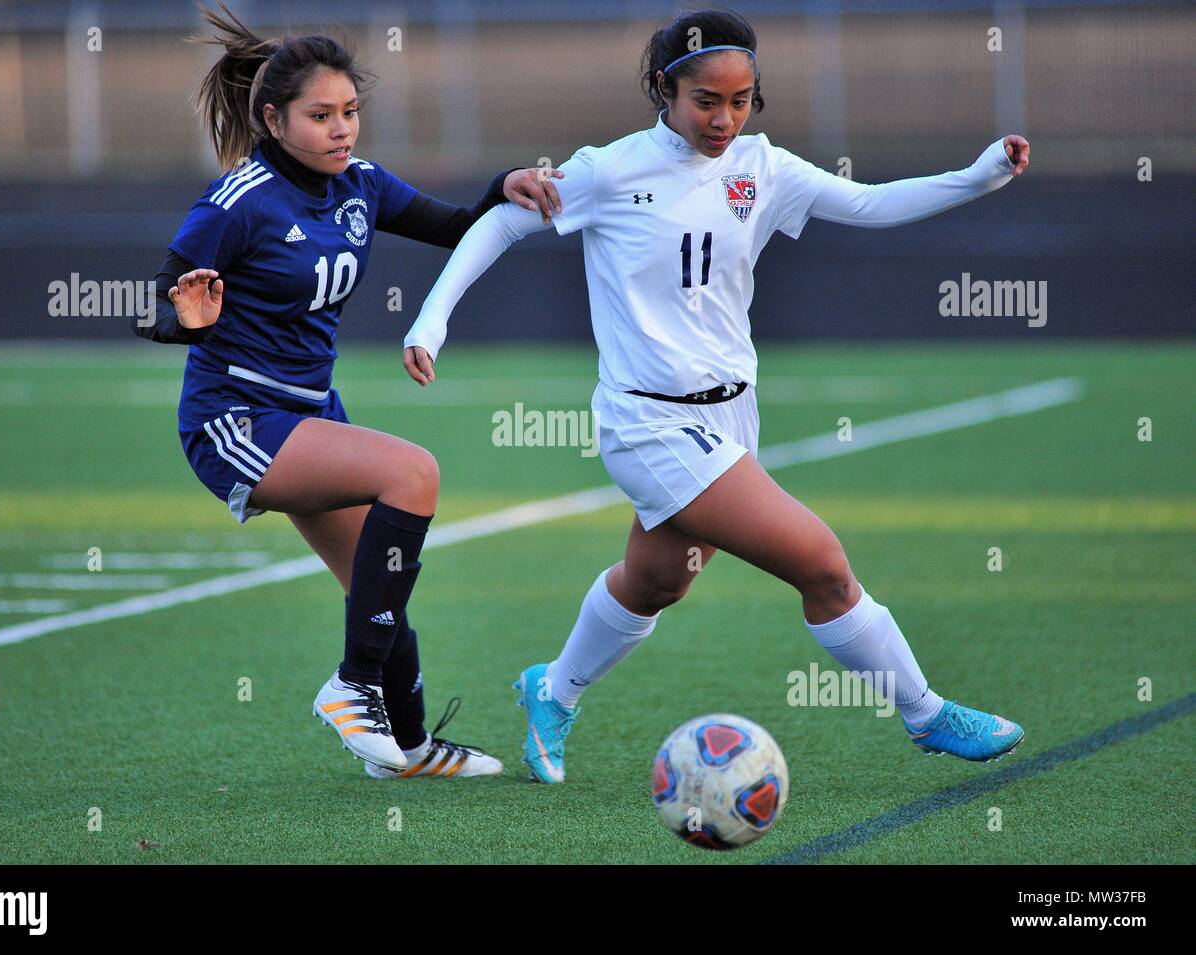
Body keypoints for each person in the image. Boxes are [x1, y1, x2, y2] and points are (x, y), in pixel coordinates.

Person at [402, 9, 1030, 784]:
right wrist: (430, 322)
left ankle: (551, 689)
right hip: (648, 421)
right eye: (706, 99)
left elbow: (868, 205)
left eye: (740, 99)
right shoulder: (611, 169)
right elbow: (500, 225)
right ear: (665, 87)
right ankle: (929, 715)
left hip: (732, 411)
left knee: (659, 578)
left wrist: (980, 175)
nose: (724, 117)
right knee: (824, 566)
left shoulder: (763, 167)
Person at [133, 3, 563, 779]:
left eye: (351, 112)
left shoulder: (360, 186)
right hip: (235, 418)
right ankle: (351, 686)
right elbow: (162, 301)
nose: (342, 129)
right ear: (273, 118)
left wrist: (508, 183)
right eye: (321, 115)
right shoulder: (240, 200)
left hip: (307, 413)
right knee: (413, 473)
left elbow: (458, 223)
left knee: (381, 592)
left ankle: (404, 749)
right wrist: (185, 320)